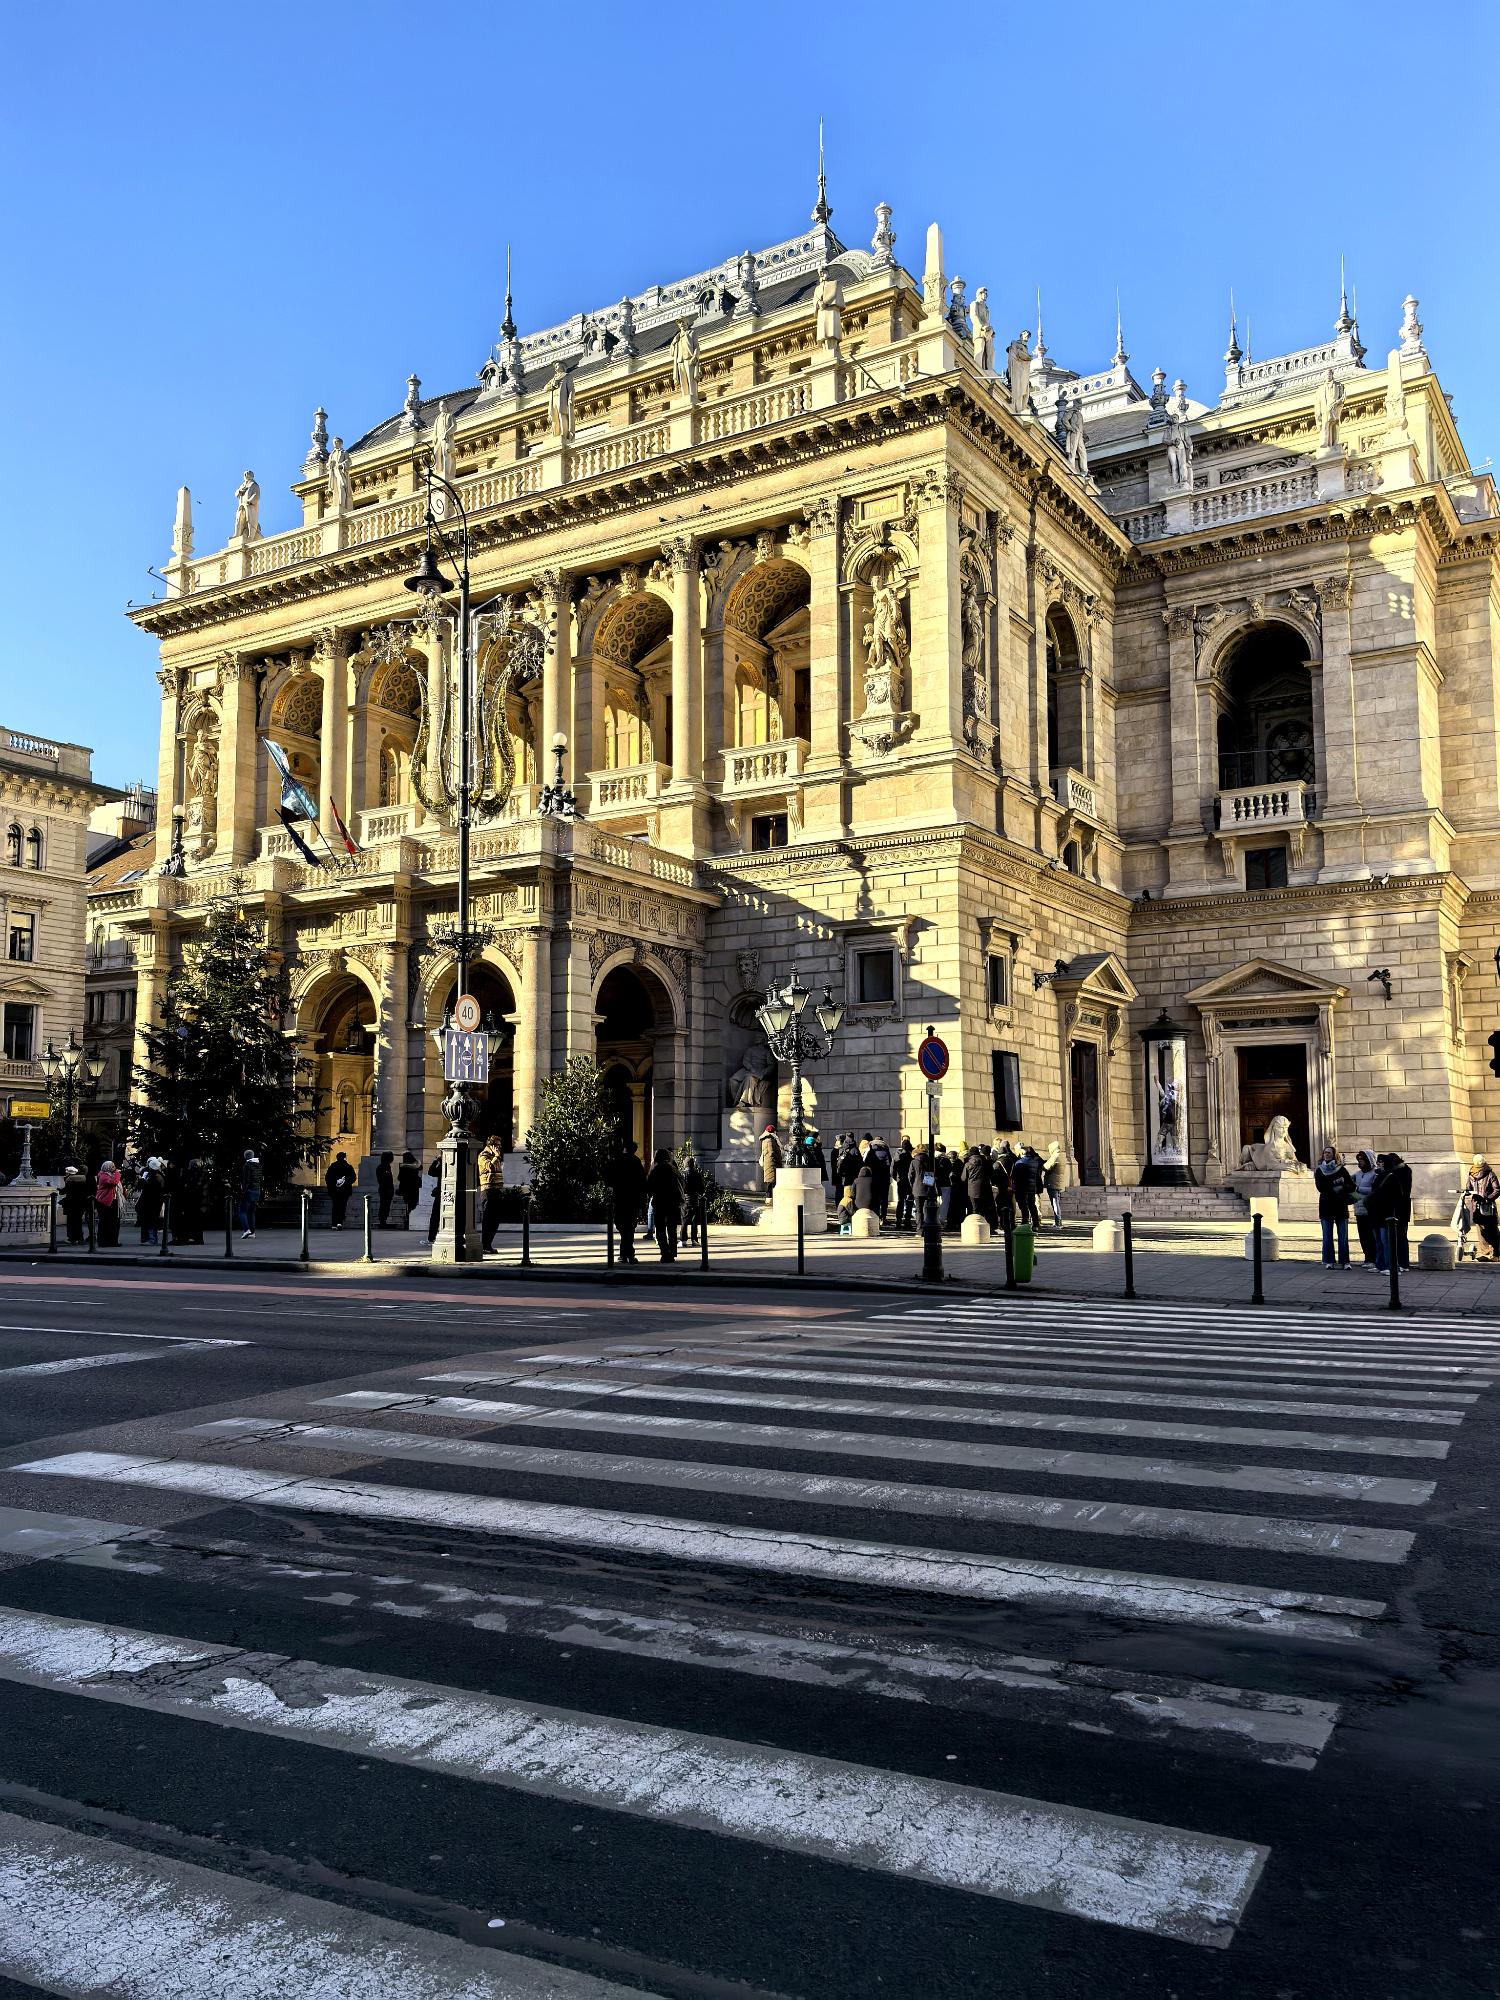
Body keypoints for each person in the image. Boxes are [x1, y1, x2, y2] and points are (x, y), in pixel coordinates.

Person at [1367, 1151, 1412, 1271]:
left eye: (1381, 1162)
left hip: (1392, 1212)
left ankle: (1397, 1264)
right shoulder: (1380, 1175)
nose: (1378, 1164)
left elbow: (1398, 1195)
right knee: (1380, 1241)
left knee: (1393, 1239)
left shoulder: (1397, 1174)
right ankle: (1381, 1264)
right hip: (1378, 1212)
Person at [1314, 1146, 1356, 1269]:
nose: (1327, 1155)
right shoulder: (1319, 1170)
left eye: (1329, 1153)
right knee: (1327, 1236)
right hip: (1326, 1206)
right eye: (1325, 1153)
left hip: (1340, 1206)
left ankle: (1345, 1261)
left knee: (1343, 1237)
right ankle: (1329, 1261)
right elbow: (1321, 1188)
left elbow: (1351, 1186)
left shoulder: (1341, 1169)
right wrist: (1337, 1183)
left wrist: (1341, 1186)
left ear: (1334, 1155)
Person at [611, 1140, 648, 1264]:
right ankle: (629, 1254)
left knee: (622, 1226)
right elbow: (643, 1182)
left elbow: (610, 1179)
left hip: (620, 1199)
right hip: (632, 1200)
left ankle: (624, 1253)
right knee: (630, 1227)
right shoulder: (636, 1162)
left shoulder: (617, 1161)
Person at [1460, 1155, 1500, 1261]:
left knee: (1491, 1229)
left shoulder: (1490, 1174)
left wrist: (1488, 1198)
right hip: (1477, 1205)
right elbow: (1468, 1187)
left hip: (1487, 1206)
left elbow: (1497, 1189)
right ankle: (1486, 1252)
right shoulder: (1472, 1173)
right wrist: (1465, 1192)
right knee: (1481, 1229)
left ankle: (1496, 1253)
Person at [645, 1148, 682, 1261]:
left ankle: (665, 1253)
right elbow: (681, 1185)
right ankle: (672, 1252)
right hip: (673, 1203)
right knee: (672, 1229)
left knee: (660, 1229)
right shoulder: (673, 1170)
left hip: (659, 1202)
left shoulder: (655, 1171)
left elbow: (649, 1187)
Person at [1351, 1148, 1381, 1266]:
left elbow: (1374, 1189)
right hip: (1359, 1209)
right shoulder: (1358, 1174)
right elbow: (1349, 1181)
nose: (1360, 1162)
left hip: (1370, 1209)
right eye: (1359, 1160)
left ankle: (1374, 1258)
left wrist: (1358, 1189)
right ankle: (1367, 1257)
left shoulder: (1375, 1173)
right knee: (1362, 1235)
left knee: (1371, 1235)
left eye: (1362, 1159)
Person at [478, 1136, 506, 1253]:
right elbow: (488, 1166)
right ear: (491, 1145)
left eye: (500, 1145)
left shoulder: (496, 1156)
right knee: (488, 1219)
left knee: (495, 1219)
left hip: (497, 1190)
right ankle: (484, 1246)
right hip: (488, 1190)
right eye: (497, 1145)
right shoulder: (483, 1155)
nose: (499, 1148)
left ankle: (488, 1245)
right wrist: (495, 1156)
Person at [963, 1145, 996, 1230]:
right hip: (986, 1188)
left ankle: (976, 1229)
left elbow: (963, 1178)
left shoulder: (968, 1164)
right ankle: (990, 1228)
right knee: (987, 1209)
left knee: (975, 1209)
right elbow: (992, 1175)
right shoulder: (986, 1162)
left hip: (973, 1189)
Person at [173, 1156, 204, 1243]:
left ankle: (192, 1237)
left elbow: (189, 1187)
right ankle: (196, 1237)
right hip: (196, 1200)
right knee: (195, 1219)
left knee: (192, 1219)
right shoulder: (199, 1174)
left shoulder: (192, 1175)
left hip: (192, 1200)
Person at [135, 1157, 165, 1245]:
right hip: (154, 1201)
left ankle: (151, 1239)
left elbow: (147, 1187)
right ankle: (149, 1238)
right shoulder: (158, 1175)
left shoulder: (154, 1176)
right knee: (151, 1220)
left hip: (151, 1201)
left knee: (151, 1220)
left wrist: (142, 1180)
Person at [1011, 1146, 1041, 1230]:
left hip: (1022, 1187)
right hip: (1032, 1186)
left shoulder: (1019, 1163)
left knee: (1023, 1205)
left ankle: (1025, 1221)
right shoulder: (1035, 1162)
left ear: (1022, 1153)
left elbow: (1015, 1176)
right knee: (1032, 1205)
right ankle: (1035, 1223)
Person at [325, 1151, 356, 1230]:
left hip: (335, 1190)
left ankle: (334, 1223)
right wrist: (345, 1182)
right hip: (344, 1190)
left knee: (335, 1207)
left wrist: (334, 1184)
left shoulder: (333, 1166)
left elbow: (328, 1178)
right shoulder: (348, 1167)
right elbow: (353, 1178)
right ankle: (339, 1222)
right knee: (342, 1207)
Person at [94, 1160, 122, 1248]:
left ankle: (113, 1241)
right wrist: (117, 1174)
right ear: (107, 1168)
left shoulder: (111, 1175)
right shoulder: (103, 1176)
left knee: (114, 1223)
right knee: (104, 1222)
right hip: (105, 1202)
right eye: (112, 1167)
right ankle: (103, 1241)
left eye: (114, 1166)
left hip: (113, 1201)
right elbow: (113, 1183)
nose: (114, 1168)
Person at [680, 1151, 705, 1246]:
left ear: (685, 1164)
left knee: (684, 1221)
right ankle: (694, 1240)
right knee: (695, 1221)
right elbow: (702, 1188)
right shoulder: (697, 1174)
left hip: (685, 1200)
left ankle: (683, 1240)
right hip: (695, 1200)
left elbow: (680, 1187)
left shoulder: (682, 1174)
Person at [835, 1135, 861, 1224]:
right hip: (853, 1178)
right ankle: (851, 1216)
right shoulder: (855, 1150)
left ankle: (844, 1214)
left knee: (845, 1197)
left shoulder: (842, 1150)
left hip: (844, 1179)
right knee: (852, 1198)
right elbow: (860, 1163)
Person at [60, 1166, 90, 1245]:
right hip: (81, 1203)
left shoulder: (70, 1180)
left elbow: (64, 1191)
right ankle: (80, 1237)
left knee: (71, 1221)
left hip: (71, 1203)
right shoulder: (85, 1180)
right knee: (78, 1221)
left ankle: (72, 1238)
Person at [237, 1150, 261, 1239]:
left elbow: (246, 1180)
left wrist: (243, 1191)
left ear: (246, 1157)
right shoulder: (258, 1165)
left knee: (242, 1211)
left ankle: (246, 1230)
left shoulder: (247, 1165)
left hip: (249, 1191)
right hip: (257, 1191)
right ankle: (252, 1232)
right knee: (251, 1212)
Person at [868, 1136, 893, 1221]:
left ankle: (876, 1216)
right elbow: (889, 1164)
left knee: (875, 1198)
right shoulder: (885, 1150)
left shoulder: (870, 1150)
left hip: (874, 1178)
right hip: (884, 1178)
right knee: (884, 1199)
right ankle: (884, 1217)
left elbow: (866, 1164)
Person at [894, 1139, 915, 1230]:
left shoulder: (898, 1159)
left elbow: (892, 1170)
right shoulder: (911, 1159)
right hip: (909, 1182)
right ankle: (907, 1221)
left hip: (901, 1181)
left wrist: (897, 1178)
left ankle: (898, 1222)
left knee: (900, 1201)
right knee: (909, 1202)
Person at [1041, 1142, 1064, 1229]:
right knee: (1056, 1202)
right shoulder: (1061, 1155)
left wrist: (1042, 1164)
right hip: (1058, 1182)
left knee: (1055, 1203)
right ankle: (1059, 1222)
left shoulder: (1055, 1156)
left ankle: (1058, 1223)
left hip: (1053, 1183)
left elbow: (1046, 1167)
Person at [397, 1151, 422, 1226]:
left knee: (408, 1204)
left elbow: (399, 1178)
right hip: (414, 1188)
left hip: (406, 1189)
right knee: (413, 1204)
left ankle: (408, 1220)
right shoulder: (415, 1166)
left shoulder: (403, 1167)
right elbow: (420, 1167)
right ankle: (411, 1219)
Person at [759, 1124, 782, 1200]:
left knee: (771, 1181)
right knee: (771, 1181)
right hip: (771, 1163)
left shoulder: (768, 1139)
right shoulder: (770, 1140)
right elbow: (771, 1152)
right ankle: (769, 1198)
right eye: (775, 1131)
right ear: (772, 1132)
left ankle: (769, 1197)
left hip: (771, 1162)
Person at [426, 1155, 443, 1245]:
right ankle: (431, 1237)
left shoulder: (443, 1164)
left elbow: (431, 1171)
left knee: (435, 1216)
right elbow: (431, 1172)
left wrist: (436, 1161)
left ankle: (431, 1237)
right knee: (435, 1216)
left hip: (441, 1193)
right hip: (442, 1192)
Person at [376, 1150, 395, 1227]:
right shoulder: (383, 1167)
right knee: (384, 1205)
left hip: (386, 1188)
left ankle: (383, 1220)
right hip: (385, 1189)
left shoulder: (385, 1166)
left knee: (385, 1205)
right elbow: (385, 1179)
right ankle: (382, 1220)